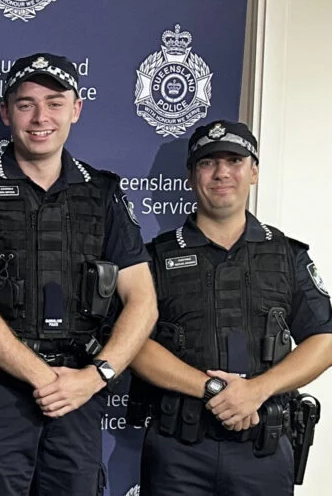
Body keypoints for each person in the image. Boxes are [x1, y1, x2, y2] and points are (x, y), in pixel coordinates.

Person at [0, 53, 158, 495]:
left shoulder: (104, 193)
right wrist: (42, 376)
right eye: (25, 104)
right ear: (5, 113)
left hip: (80, 392)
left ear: (76, 109)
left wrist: (95, 377)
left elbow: (143, 301)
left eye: (55, 102)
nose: (41, 117)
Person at [130, 120, 332, 495]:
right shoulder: (154, 258)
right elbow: (133, 344)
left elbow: (324, 339)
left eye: (235, 160)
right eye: (208, 163)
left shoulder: (287, 255)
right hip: (178, 452)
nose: (222, 172)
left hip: (262, 450)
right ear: (191, 175)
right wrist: (212, 388)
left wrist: (256, 390)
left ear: (253, 171)